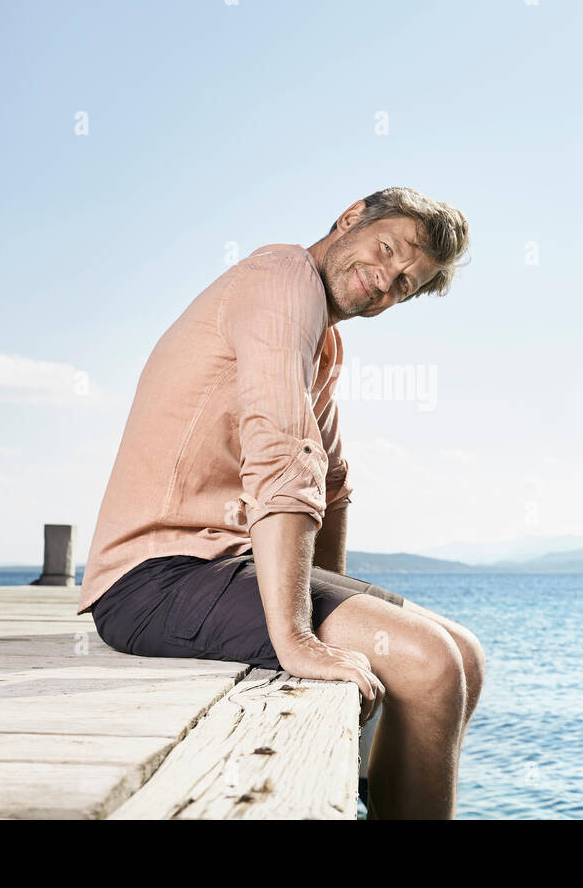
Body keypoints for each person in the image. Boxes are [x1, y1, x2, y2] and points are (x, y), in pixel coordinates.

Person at [79, 187, 482, 818]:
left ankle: (378, 793)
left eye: (405, 283)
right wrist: (296, 637)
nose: (387, 280)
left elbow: (334, 482)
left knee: (464, 655)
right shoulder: (280, 280)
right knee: (428, 665)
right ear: (351, 218)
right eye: (387, 249)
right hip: (150, 580)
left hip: (216, 568)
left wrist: (335, 594)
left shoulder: (324, 341)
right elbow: (284, 455)